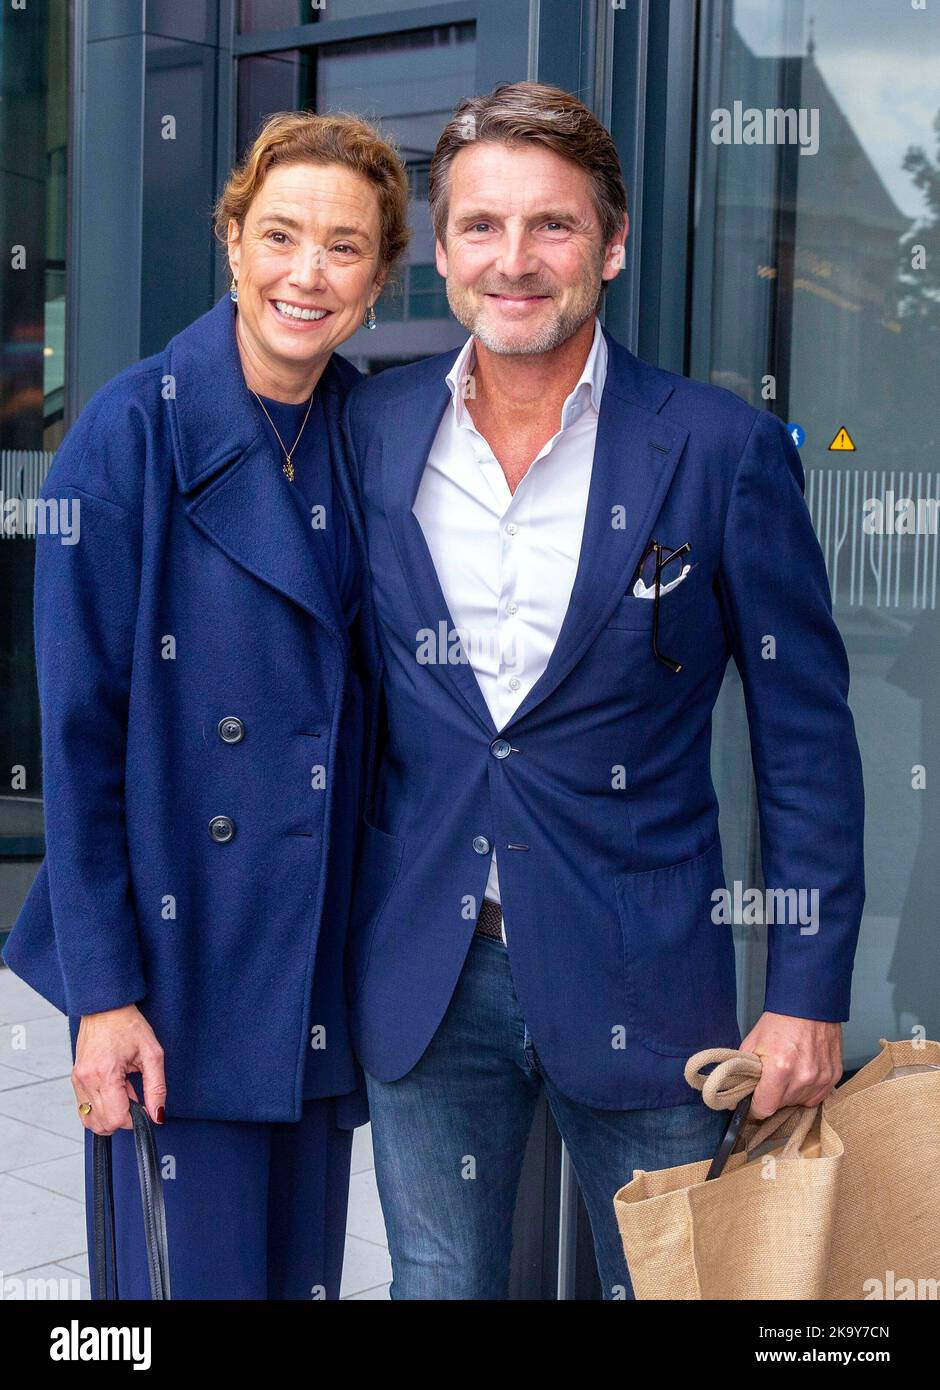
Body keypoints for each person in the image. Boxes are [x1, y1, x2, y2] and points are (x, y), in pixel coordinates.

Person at [341, 81, 866, 1299]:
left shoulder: (719, 448)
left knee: (672, 1290)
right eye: (481, 226)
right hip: (426, 966)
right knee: (436, 1285)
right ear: (441, 249)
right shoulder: (370, 430)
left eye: (553, 226)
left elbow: (804, 743)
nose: (513, 261)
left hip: (648, 967)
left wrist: (804, 992)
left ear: (612, 245)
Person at [2, 110, 410, 1299]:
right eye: (279, 233)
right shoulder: (126, 437)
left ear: (379, 277)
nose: (306, 272)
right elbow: (76, 747)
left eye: (344, 247)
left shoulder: (372, 432)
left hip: (313, 968)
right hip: (179, 982)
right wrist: (104, 996)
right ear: (231, 240)